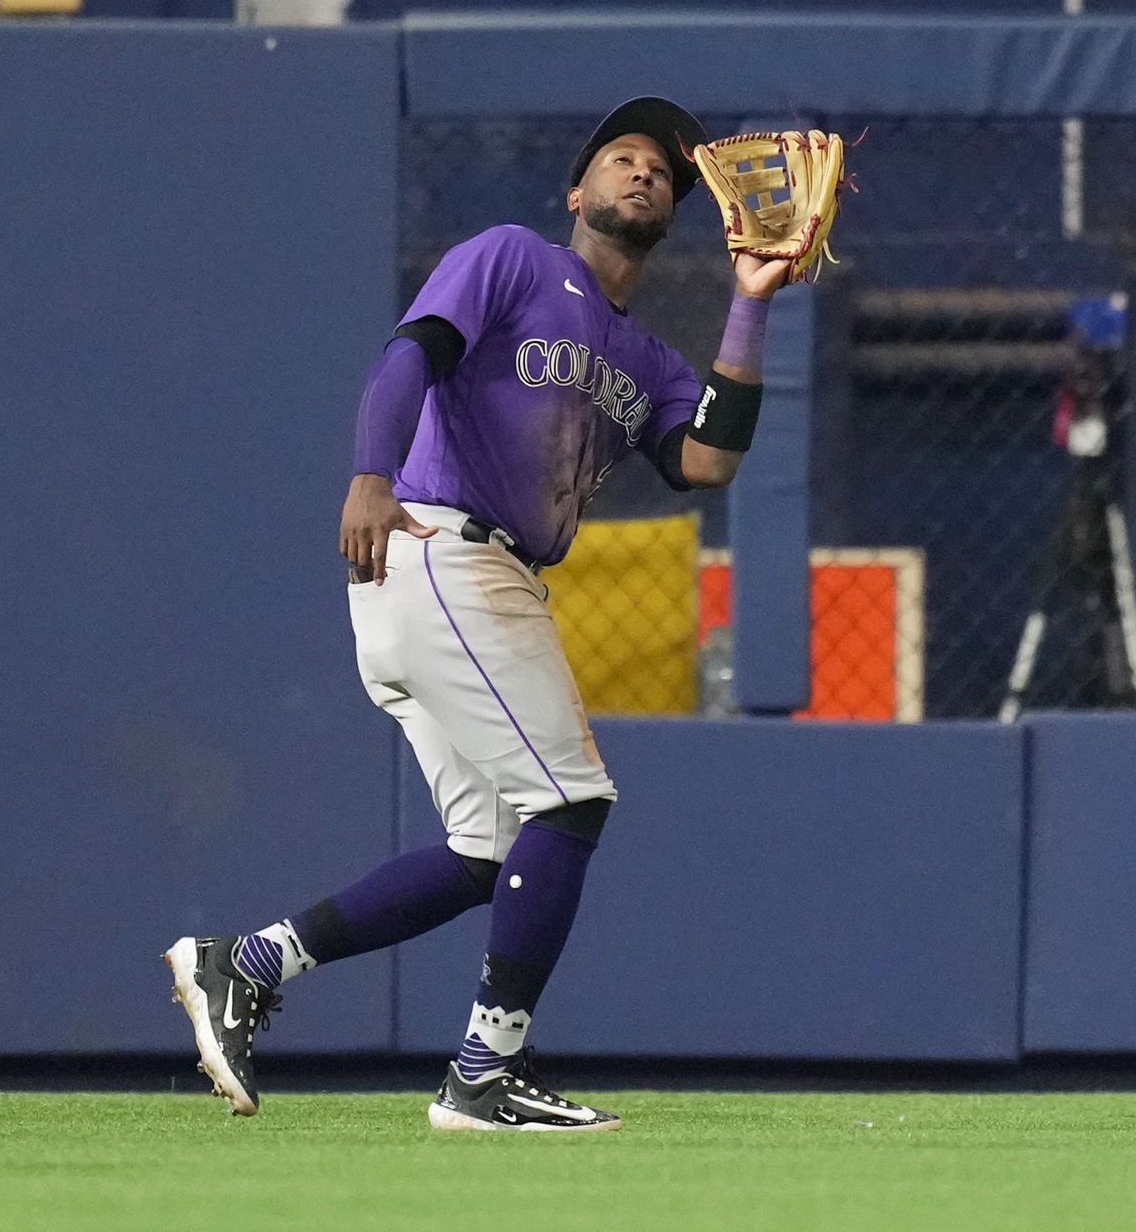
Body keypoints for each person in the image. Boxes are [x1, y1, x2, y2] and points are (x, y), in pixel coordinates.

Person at [166, 97, 795, 1130]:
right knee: (573, 805)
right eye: (621, 157)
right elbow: (412, 349)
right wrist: (371, 474)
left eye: (660, 171)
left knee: (486, 852)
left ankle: (247, 962)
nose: (642, 172)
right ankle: (483, 1073)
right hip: (439, 550)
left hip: (473, 582)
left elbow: (706, 459)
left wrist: (753, 300)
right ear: (577, 192)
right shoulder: (510, 257)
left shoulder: (649, 361)